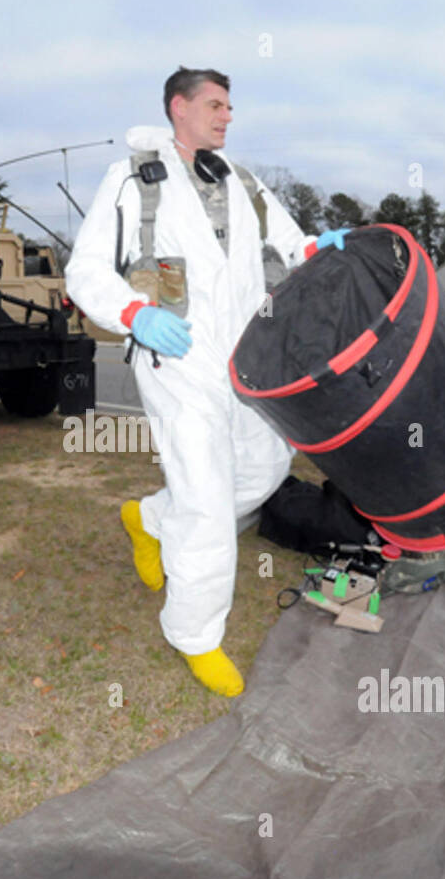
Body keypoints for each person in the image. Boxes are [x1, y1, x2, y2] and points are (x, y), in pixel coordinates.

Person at [65, 67, 347, 697]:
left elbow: (293, 245)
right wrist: (136, 314)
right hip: (178, 356)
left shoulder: (241, 181)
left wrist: (326, 248)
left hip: (245, 354)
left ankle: (151, 519)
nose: (227, 116)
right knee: (208, 497)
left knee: (266, 469)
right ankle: (195, 634)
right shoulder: (134, 179)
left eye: (229, 106)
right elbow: (83, 273)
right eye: (216, 105)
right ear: (179, 108)